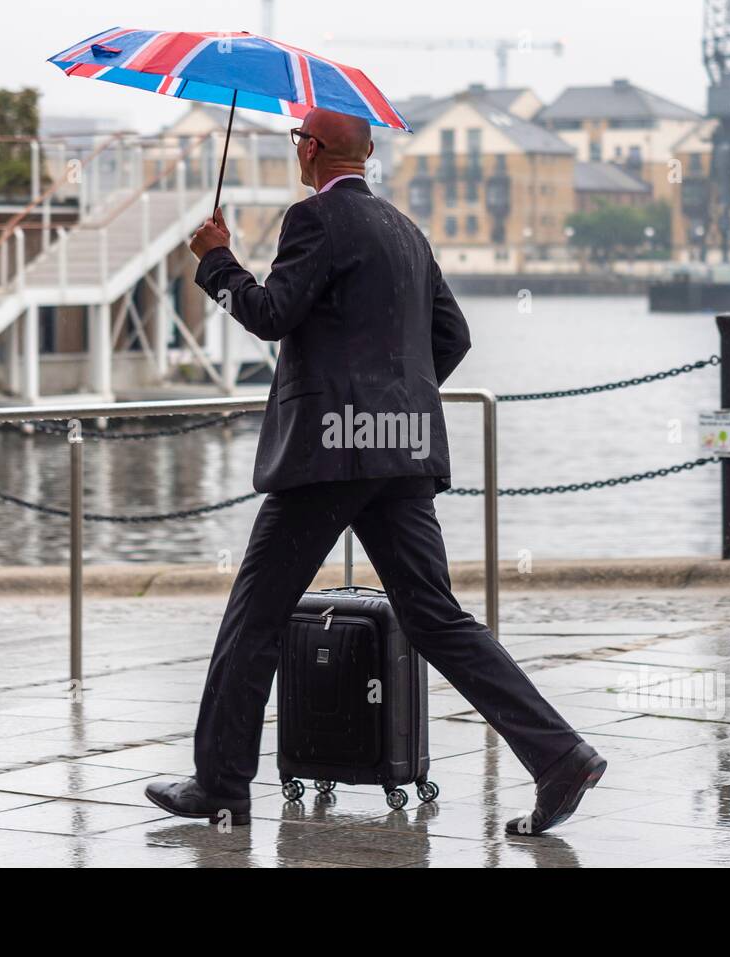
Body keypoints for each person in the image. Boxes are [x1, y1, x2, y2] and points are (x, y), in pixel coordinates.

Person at [143, 107, 606, 835]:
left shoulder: (314, 220)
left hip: (331, 452)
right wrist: (396, 395)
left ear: (315, 150)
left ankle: (222, 786)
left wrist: (215, 259)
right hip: (403, 447)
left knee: (255, 615)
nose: (297, 151)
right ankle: (559, 756)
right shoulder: (404, 229)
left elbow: (269, 314)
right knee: (437, 618)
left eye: (300, 141)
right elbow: (451, 335)